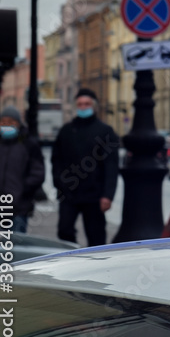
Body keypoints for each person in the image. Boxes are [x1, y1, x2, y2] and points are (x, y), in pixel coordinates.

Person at [51, 89, 120, 247]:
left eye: (87, 104)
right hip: (68, 193)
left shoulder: (105, 132)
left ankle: (97, 266)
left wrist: (108, 196)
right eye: (80, 104)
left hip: (95, 195)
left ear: (94, 106)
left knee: (96, 237)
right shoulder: (66, 131)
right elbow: (56, 160)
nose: (83, 107)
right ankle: (71, 261)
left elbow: (111, 166)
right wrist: (59, 182)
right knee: (64, 231)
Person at [0, 106, 45, 233]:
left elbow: (37, 173)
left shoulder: (28, 144)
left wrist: (22, 190)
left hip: (19, 208)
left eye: (11, 122)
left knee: (14, 246)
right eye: (3, 122)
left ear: (18, 123)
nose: (7, 125)